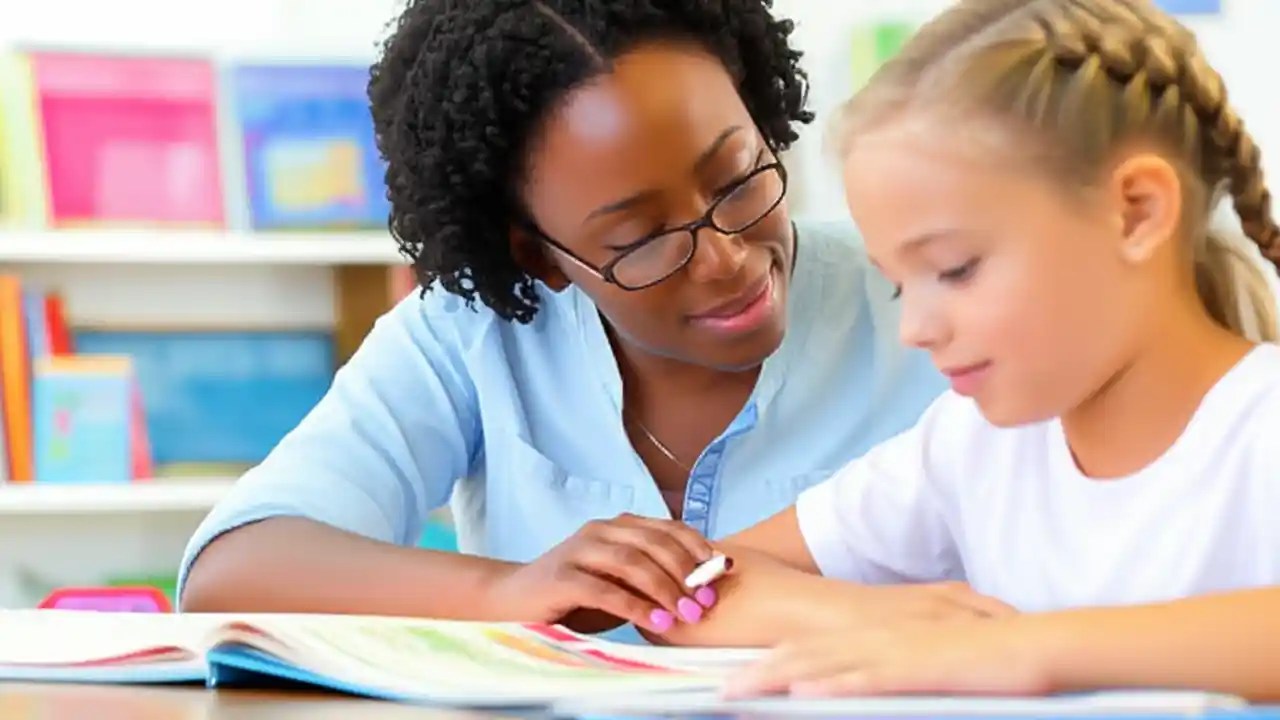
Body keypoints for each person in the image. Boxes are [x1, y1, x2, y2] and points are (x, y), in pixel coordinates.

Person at [176, 0, 966, 641]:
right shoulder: (469, 334)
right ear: (540, 257)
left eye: (738, 178)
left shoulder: (927, 286)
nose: (726, 257)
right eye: (643, 240)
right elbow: (234, 567)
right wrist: (509, 590)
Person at [651, 0, 1280, 702]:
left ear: (1134, 211)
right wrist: (871, 616)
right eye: (899, 288)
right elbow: (694, 587)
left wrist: (1020, 651)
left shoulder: (1260, 430)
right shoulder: (968, 449)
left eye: (955, 269)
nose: (915, 329)